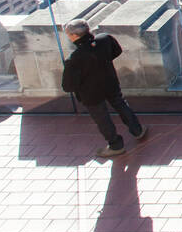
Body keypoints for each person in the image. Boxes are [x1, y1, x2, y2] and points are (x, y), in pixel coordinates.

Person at [61, 19, 148, 157]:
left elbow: (68, 86)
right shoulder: (105, 39)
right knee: (121, 105)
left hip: (91, 93)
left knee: (102, 118)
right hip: (110, 82)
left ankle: (115, 146)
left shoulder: (74, 59)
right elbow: (117, 51)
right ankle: (137, 130)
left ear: (74, 36)